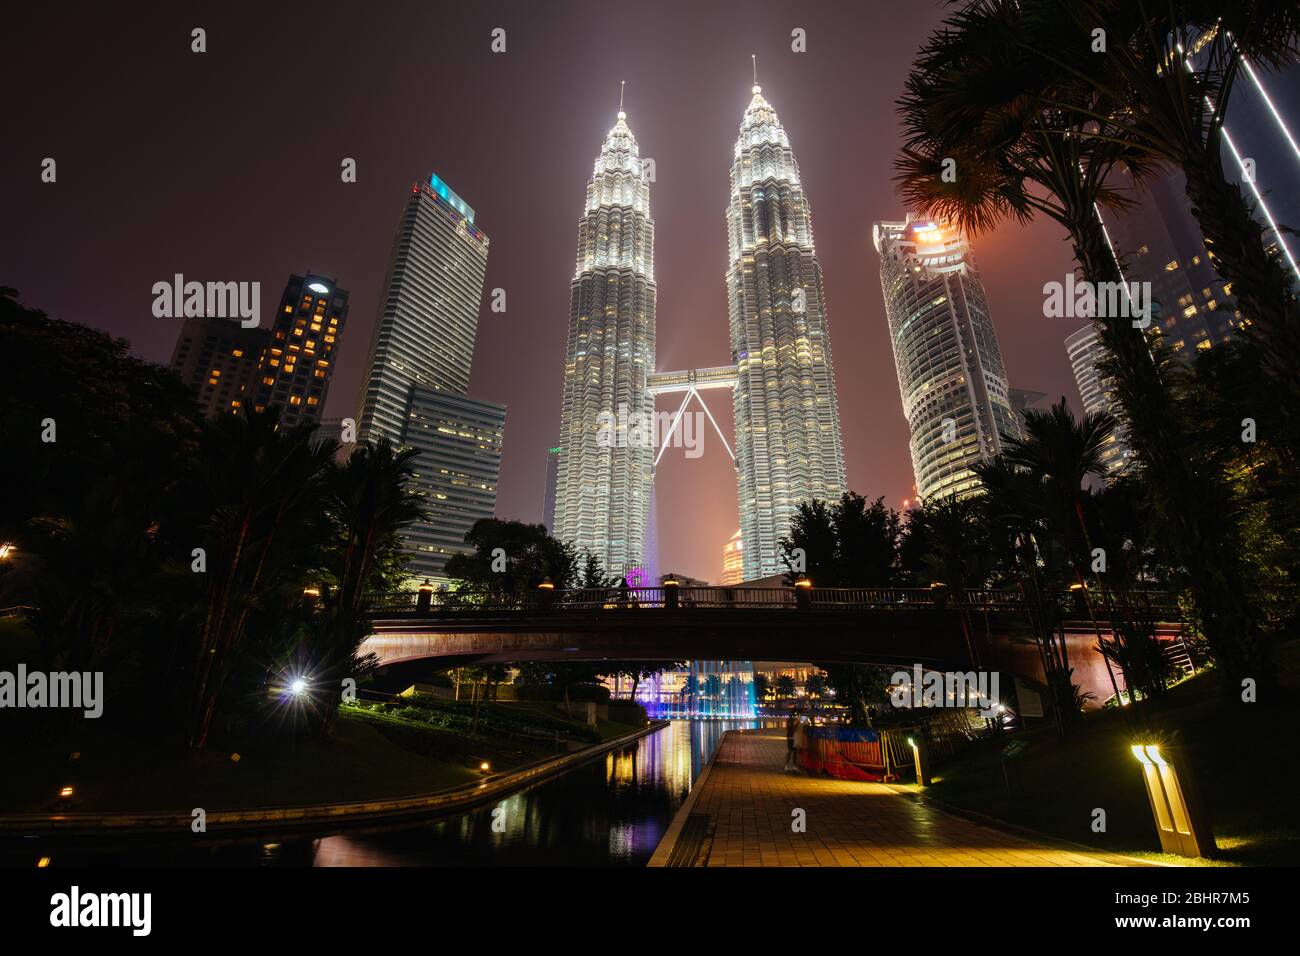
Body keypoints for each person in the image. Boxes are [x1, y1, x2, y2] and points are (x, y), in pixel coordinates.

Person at [785, 708, 800, 772]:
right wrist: (797, 723)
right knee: (792, 751)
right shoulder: (793, 720)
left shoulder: (789, 719)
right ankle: (789, 765)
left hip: (791, 736)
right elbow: (794, 729)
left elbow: (787, 728)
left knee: (793, 751)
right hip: (792, 737)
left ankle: (791, 765)